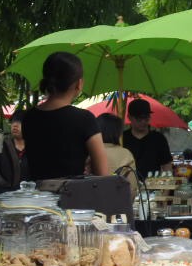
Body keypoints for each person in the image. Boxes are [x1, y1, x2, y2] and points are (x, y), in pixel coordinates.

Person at [22, 52, 111, 183]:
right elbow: (102, 174)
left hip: (37, 199)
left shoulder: (29, 118)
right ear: (79, 83)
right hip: (73, 199)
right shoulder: (85, 119)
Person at [121, 98, 174, 179]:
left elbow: (167, 166)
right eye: (139, 118)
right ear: (129, 117)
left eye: (146, 118)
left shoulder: (158, 138)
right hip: (127, 187)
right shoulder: (122, 138)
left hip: (154, 187)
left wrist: (167, 190)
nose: (143, 122)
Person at [96, 112, 139, 195]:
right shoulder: (125, 154)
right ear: (118, 132)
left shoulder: (88, 151)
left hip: (88, 204)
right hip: (117, 204)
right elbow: (132, 188)